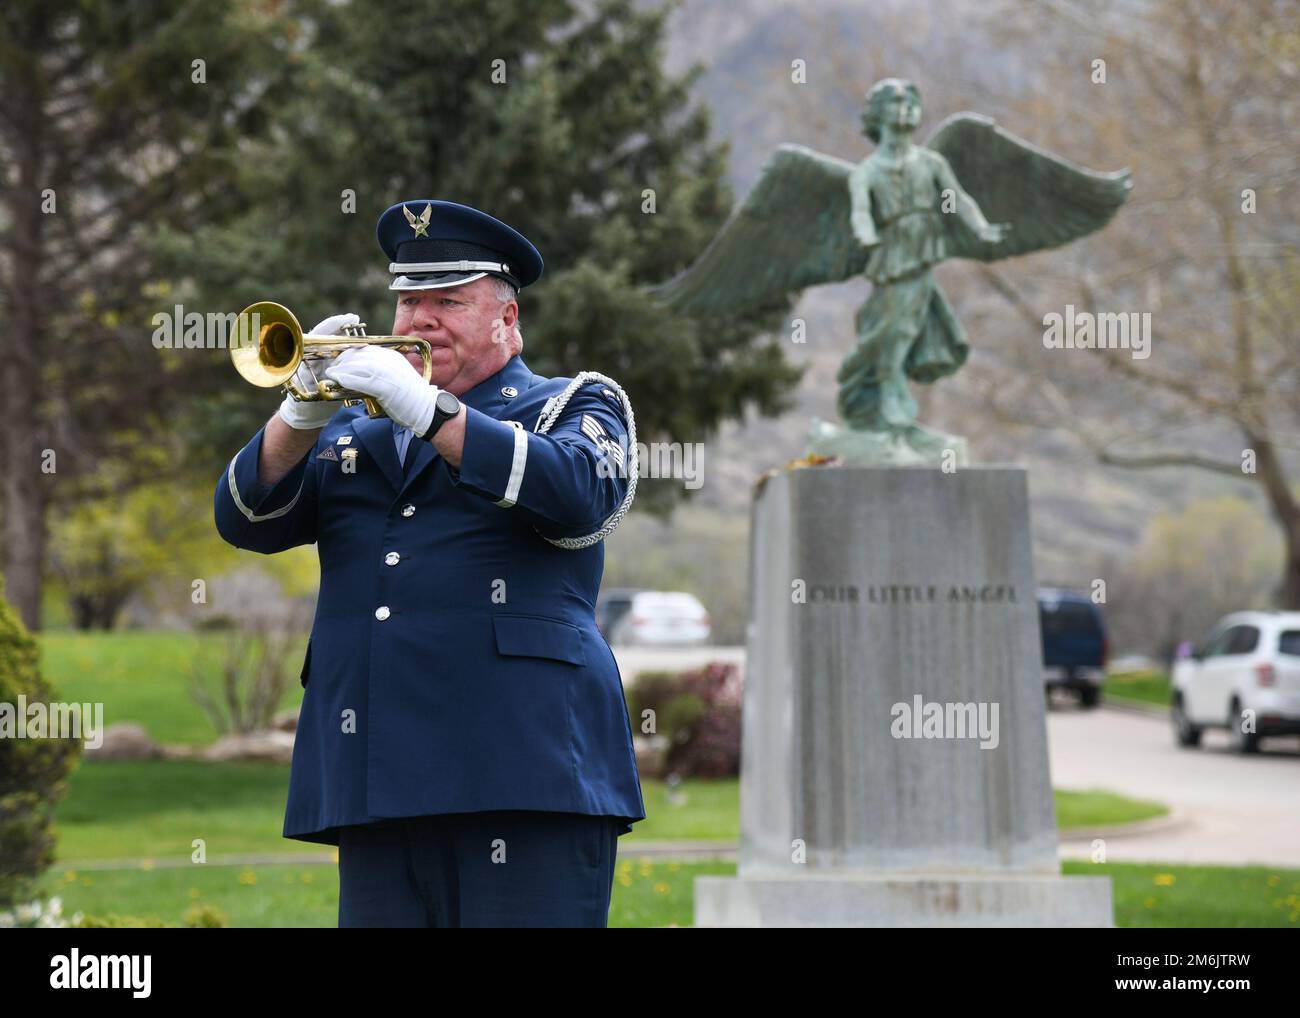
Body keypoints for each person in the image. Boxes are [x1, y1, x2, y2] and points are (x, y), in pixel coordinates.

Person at [214, 199, 645, 927]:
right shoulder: (353, 428)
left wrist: (430, 412)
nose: (419, 320)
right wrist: (299, 412)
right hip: (377, 778)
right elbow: (245, 518)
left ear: (507, 319)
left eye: (448, 300)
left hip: (526, 773)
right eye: (409, 300)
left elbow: (577, 494)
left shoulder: (571, 404)